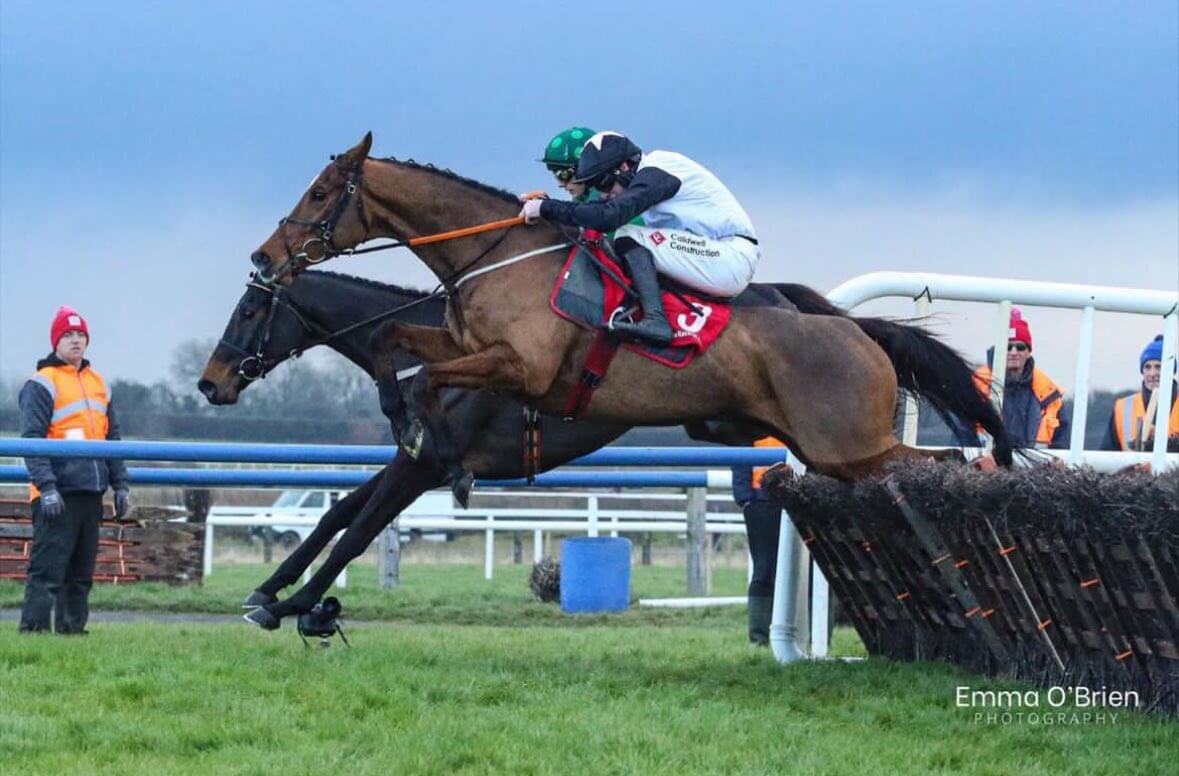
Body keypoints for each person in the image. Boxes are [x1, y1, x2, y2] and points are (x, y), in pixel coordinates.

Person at [520, 131, 760, 345]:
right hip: (717, 255)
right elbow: (599, 214)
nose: (604, 193)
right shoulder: (647, 174)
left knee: (627, 234)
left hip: (729, 257)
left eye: (604, 183)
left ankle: (656, 320)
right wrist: (548, 207)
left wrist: (547, 208)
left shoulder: (657, 171)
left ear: (624, 166)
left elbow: (608, 217)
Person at [18, 307, 130, 634]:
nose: (76, 340)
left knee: (80, 575)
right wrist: (47, 487)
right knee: (47, 571)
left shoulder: (99, 384)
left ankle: (72, 634)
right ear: (56, 341)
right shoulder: (41, 383)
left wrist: (121, 485)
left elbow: (114, 439)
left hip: (91, 493)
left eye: (80, 334)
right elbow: (31, 441)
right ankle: (33, 635)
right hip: (57, 494)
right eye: (68, 335)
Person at [971, 308, 1070, 448]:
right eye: (1008, 346)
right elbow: (962, 436)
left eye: (1020, 347)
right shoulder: (976, 387)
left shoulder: (1050, 396)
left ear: (1029, 352)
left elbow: (1062, 445)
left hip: (1038, 468)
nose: (1013, 352)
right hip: (986, 468)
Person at [731, 436, 785, 646]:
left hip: (794, 497)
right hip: (761, 501)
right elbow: (740, 453)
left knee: (806, 572)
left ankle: (802, 636)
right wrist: (746, 498)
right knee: (764, 570)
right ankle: (759, 638)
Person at [1102, 335, 1179, 451]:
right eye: (1147, 367)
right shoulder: (1123, 407)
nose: (1152, 373)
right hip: (1131, 468)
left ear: (1171, 371)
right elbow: (1106, 455)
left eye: (1158, 367)